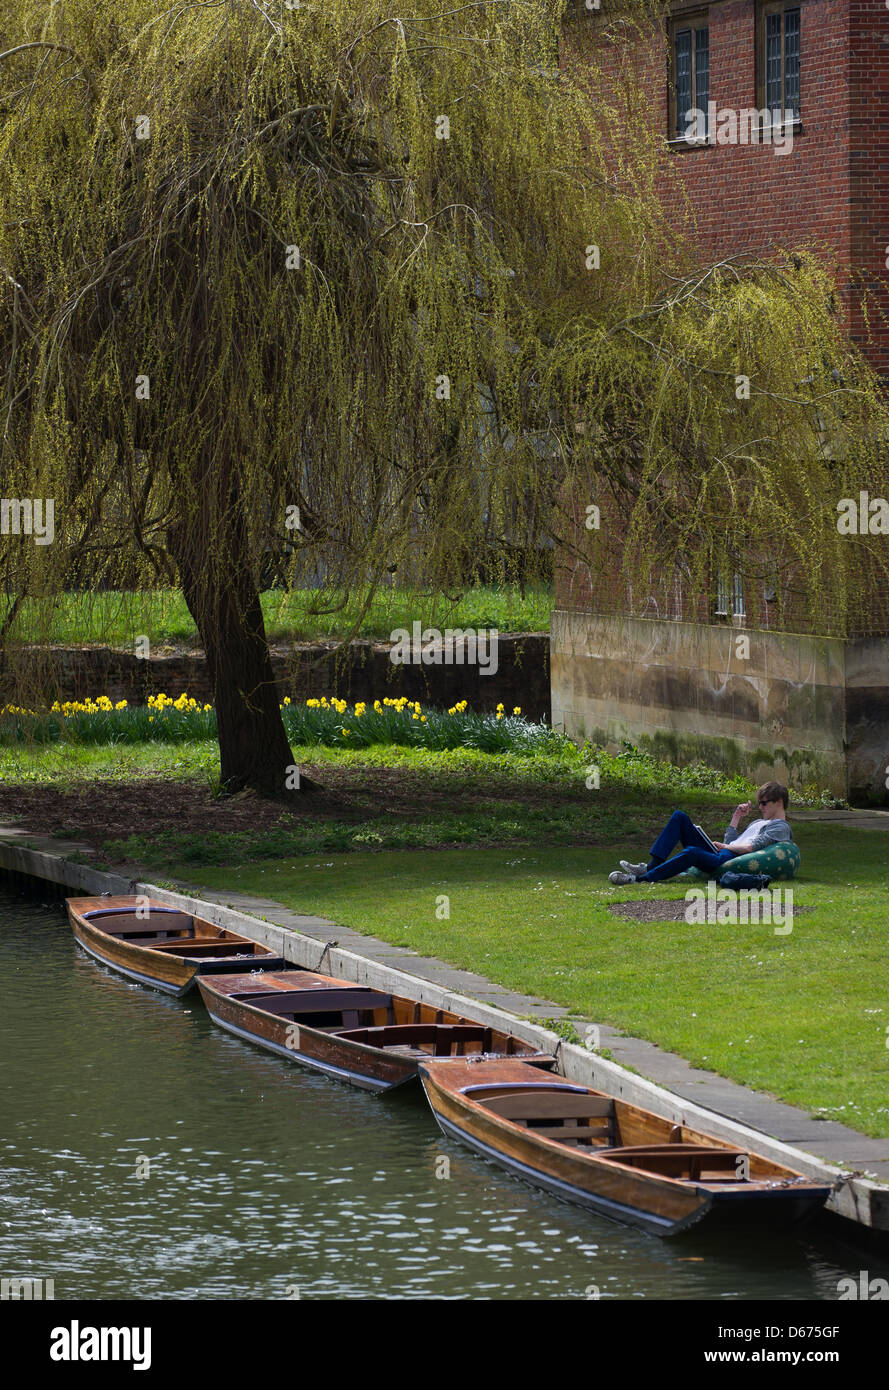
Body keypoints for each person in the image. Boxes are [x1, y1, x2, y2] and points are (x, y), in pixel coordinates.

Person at [608, 782, 793, 885]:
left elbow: (753, 847)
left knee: (692, 853)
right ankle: (651, 866)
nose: (760, 807)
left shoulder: (780, 827)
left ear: (778, 802)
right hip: (724, 852)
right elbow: (734, 840)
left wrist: (725, 847)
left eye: (764, 803)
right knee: (679, 817)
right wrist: (736, 817)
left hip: (728, 857)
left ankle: (640, 879)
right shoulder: (759, 822)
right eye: (759, 803)